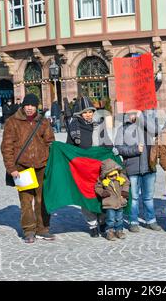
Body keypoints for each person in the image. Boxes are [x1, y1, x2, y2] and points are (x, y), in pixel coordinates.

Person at [1, 93, 56, 243]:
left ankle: (42, 228)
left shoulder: (43, 122)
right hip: (22, 168)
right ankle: (29, 230)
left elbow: (50, 142)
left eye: (32, 105)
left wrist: (51, 161)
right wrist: (11, 168)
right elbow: (7, 147)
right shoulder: (13, 122)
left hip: (41, 166)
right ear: (23, 106)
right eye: (27, 105)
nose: (30, 108)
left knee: (42, 200)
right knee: (26, 201)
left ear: (36, 107)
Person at [67, 96, 113, 238]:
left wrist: (111, 150)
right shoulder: (74, 128)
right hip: (83, 170)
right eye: (85, 112)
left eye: (90, 112)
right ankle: (92, 224)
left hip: (99, 168)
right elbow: (70, 149)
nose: (88, 115)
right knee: (87, 197)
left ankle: (103, 220)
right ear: (80, 114)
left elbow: (107, 144)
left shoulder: (99, 125)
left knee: (102, 194)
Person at [115, 110, 162, 232]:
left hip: (149, 166)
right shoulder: (123, 129)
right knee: (134, 197)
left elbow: (157, 131)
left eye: (136, 112)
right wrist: (135, 149)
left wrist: (143, 118)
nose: (133, 115)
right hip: (132, 168)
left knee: (148, 197)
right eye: (131, 112)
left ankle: (151, 220)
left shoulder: (147, 124)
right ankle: (133, 221)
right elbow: (119, 148)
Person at [95, 159, 130, 241]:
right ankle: (110, 232)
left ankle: (119, 231)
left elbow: (126, 183)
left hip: (119, 201)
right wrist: (102, 192)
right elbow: (97, 187)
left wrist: (125, 191)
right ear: (106, 175)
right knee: (110, 218)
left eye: (115, 175)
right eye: (111, 176)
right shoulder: (103, 180)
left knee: (119, 218)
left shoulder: (121, 177)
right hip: (109, 202)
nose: (114, 177)